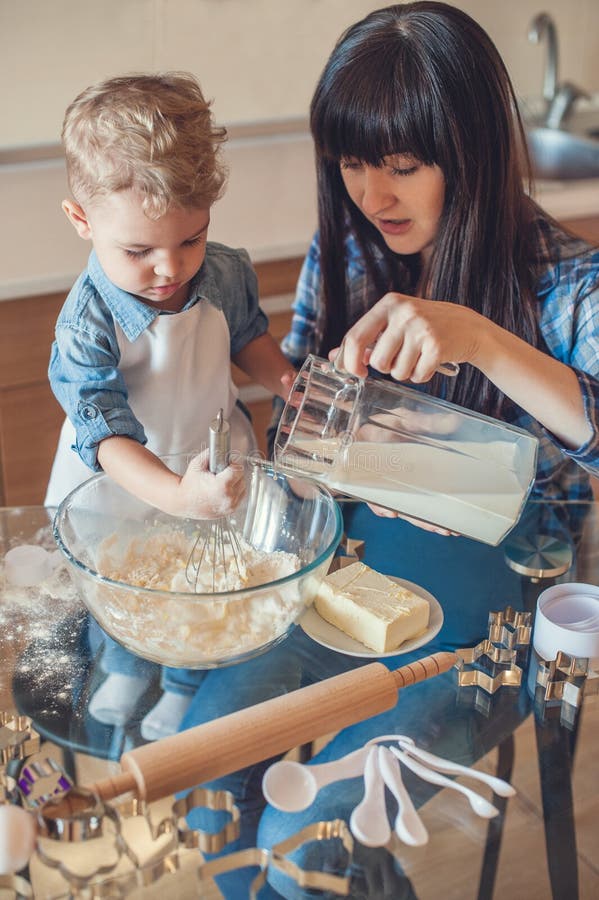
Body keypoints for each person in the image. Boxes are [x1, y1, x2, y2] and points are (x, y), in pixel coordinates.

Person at [254, 3, 599, 897]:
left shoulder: (567, 290)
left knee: (302, 833)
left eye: (403, 167)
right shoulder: (346, 255)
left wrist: (481, 340)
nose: (373, 195)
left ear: (473, 153)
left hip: (489, 628)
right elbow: (291, 429)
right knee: (209, 773)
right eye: (355, 162)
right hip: (338, 583)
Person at [45, 72, 296, 741]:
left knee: (205, 581)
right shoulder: (86, 322)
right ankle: (127, 663)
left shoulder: (223, 271)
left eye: (190, 239)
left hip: (213, 454)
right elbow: (103, 432)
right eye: (139, 250)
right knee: (132, 583)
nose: (170, 268)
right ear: (81, 219)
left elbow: (249, 339)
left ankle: (185, 683)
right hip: (125, 474)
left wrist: (291, 384)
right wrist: (172, 495)